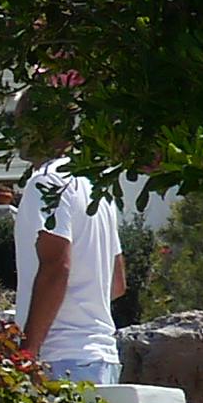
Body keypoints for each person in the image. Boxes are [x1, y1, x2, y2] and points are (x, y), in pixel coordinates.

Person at [12, 158, 122, 388]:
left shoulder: (48, 181)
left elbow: (56, 268)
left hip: (60, 360)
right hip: (102, 359)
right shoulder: (97, 188)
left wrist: (28, 353)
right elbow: (117, 283)